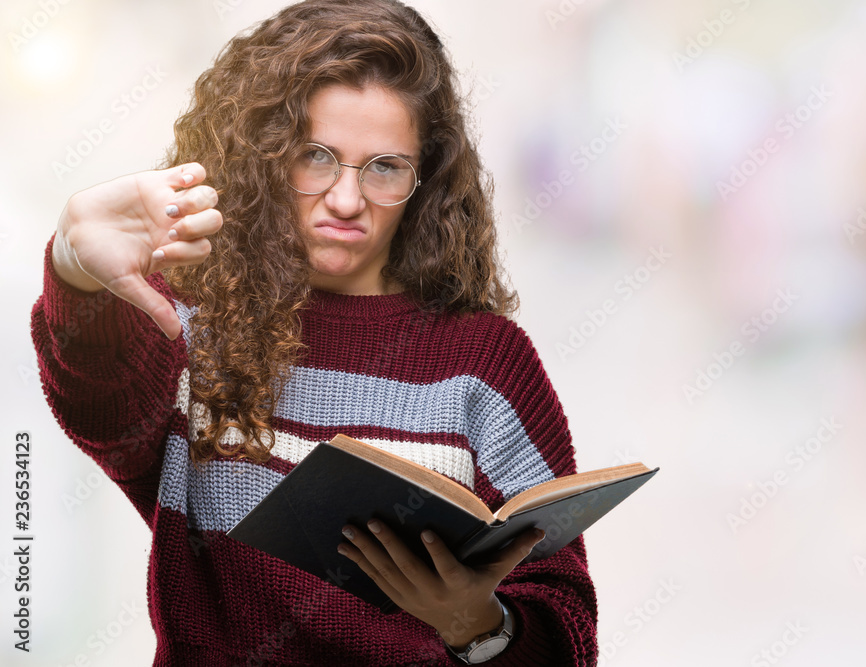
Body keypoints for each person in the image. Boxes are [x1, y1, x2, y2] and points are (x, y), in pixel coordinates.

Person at [30, 0, 599, 664]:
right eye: (317, 156)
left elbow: (567, 635)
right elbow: (107, 416)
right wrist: (75, 273)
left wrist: (476, 622)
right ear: (267, 156)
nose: (348, 199)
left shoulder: (486, 364)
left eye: (384, 167)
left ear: (426, 180)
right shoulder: (194, 313)